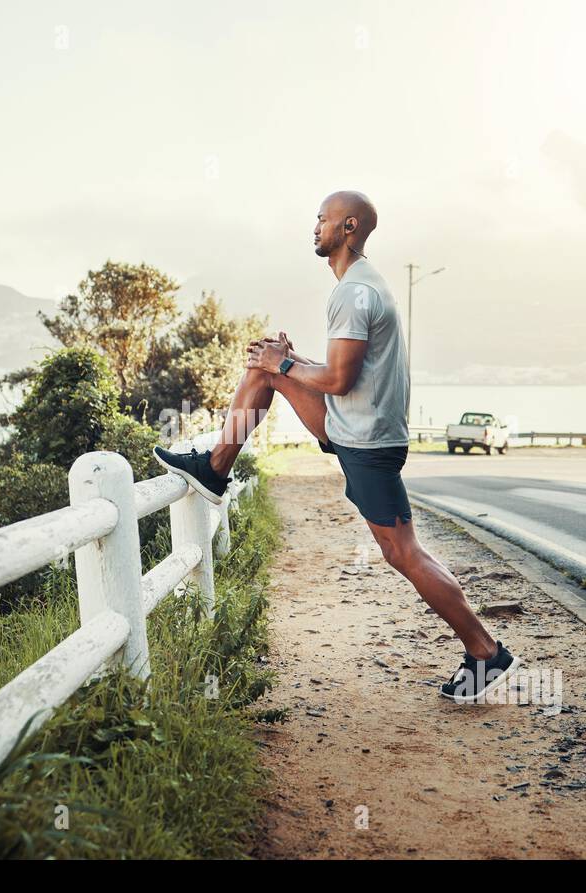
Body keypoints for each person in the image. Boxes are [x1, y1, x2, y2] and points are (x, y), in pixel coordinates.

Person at [153, 190, 521, 702]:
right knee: (264, 370)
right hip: (356, 428)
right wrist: (286, 360)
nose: (315, 226)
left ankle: (485, 651)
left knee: (403, 553)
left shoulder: (353, 292)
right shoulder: (359, 285)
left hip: (366, 439)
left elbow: (341, 379)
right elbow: (338, 374)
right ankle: (217, 465)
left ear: (348, 227)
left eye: (323, 219)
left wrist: (285, 363)